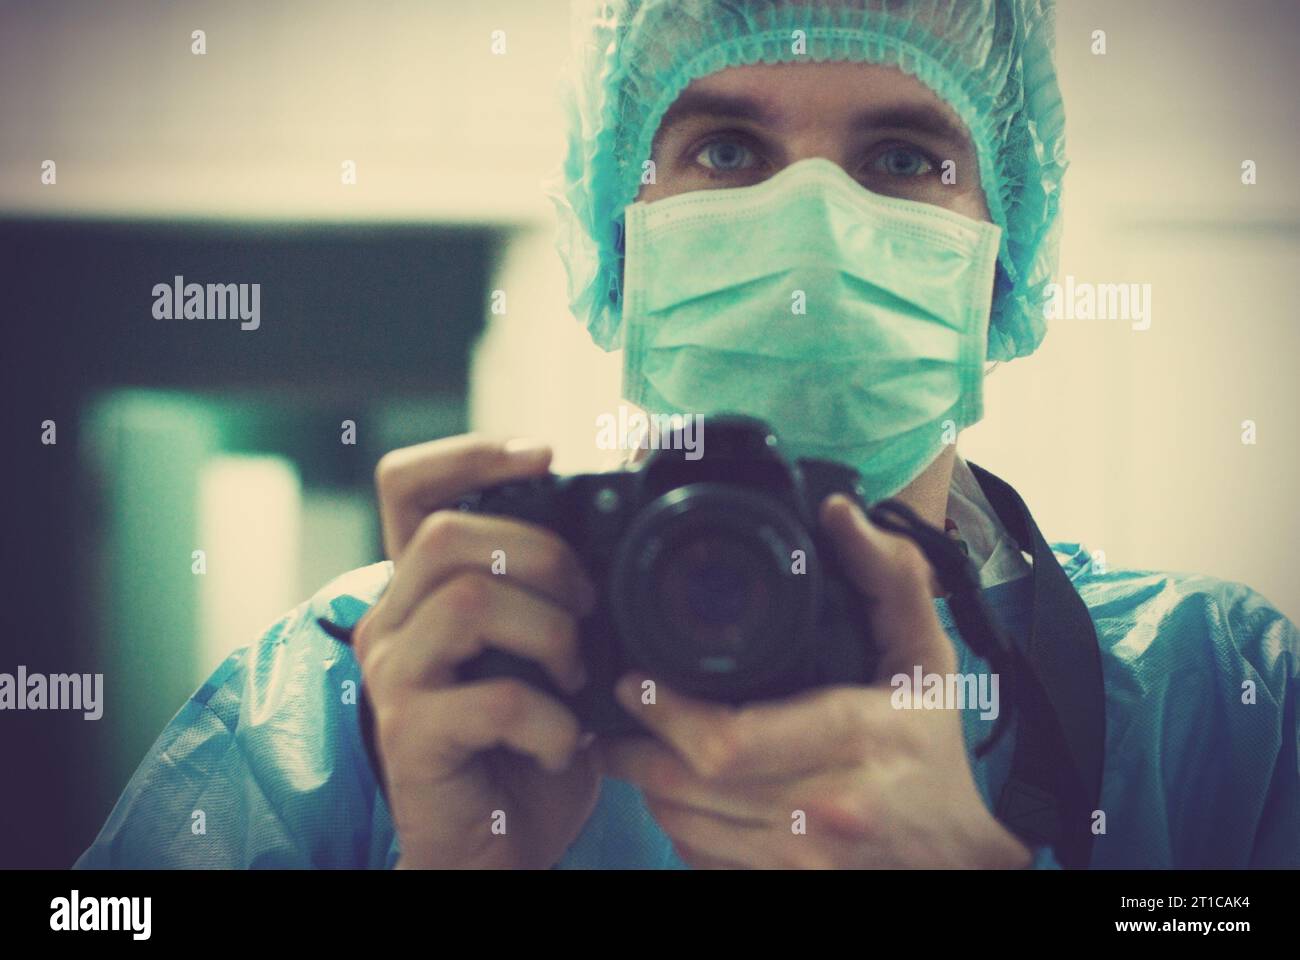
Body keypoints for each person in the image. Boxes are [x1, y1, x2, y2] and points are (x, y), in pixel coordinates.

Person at [75, 0, 1298, 870]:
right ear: (620, 237)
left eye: (901, 157)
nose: (812, 217)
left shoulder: (1221, 701)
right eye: (724, 149)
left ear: (1003, 257)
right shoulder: (363, 685)